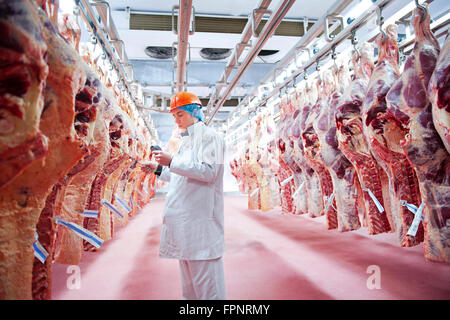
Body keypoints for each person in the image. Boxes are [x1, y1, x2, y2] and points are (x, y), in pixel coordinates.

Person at [146, 91, 226, 300]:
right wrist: (156, 169)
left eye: (180, 114)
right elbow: (181, 177)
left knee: (210, 293)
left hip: (200, 230)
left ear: (195, 112)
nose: (176, 119)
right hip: (185, 229)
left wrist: (171, 161)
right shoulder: (186, 141)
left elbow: (208, 172)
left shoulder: (211, 138)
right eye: (174, 116)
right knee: (190, 293)